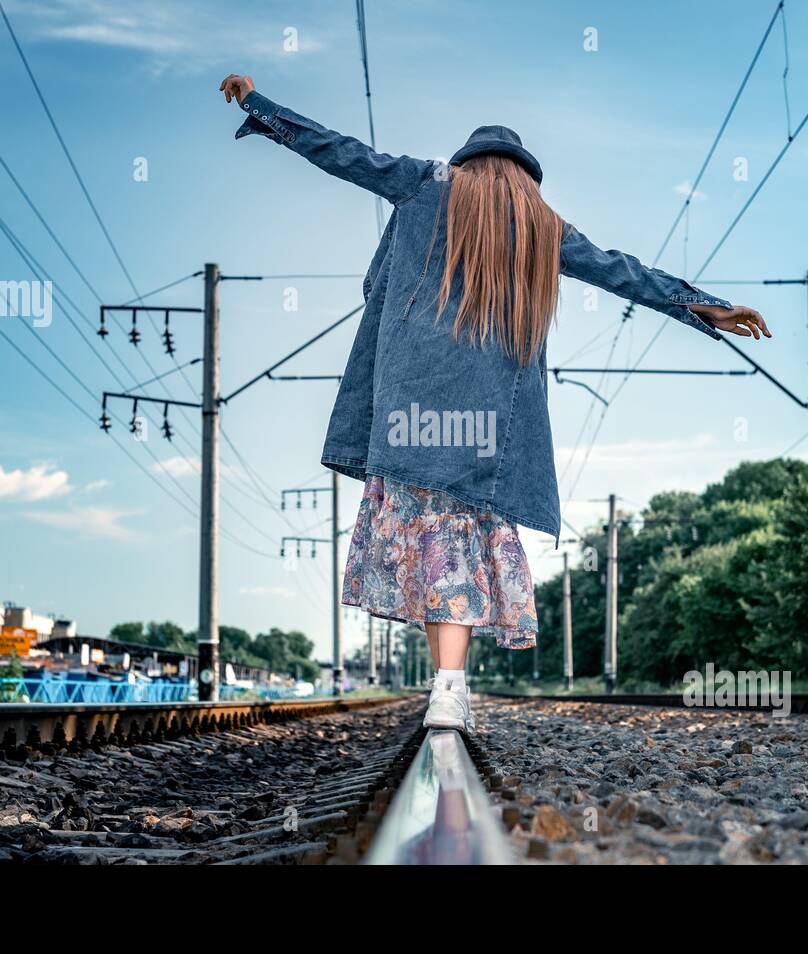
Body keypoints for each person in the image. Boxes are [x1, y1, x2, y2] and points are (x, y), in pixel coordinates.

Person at [221, 73, 770, 733]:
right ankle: (450, 689)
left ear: (468, 164)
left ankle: (447, 686)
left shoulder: (426, 184)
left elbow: (342, 153)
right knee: (453, 542)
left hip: (409, 408)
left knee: (432, 541)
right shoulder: (542, 226)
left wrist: (260, 106)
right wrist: (702, 304)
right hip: (483, 421)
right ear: (525, 179)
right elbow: (621, 270)